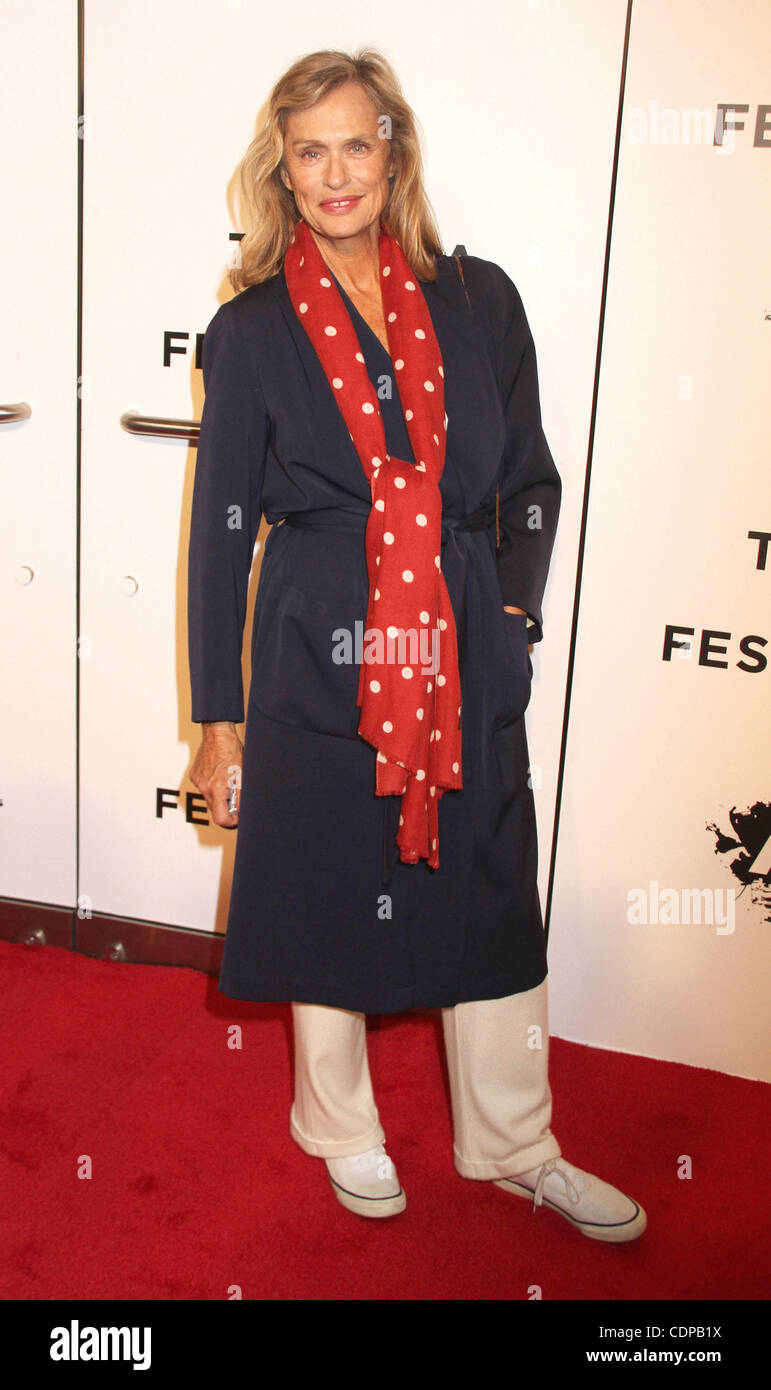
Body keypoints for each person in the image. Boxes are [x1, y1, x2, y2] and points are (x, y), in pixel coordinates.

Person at [188, 47, 646, 1241]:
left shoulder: (478, 297)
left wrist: (509, 613)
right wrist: (214, 719)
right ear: (282, 170)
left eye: (356, 142)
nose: (335, 173)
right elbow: (220, 531)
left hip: (457, 633)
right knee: (326, 877)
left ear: (394, 150)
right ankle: (339, 1124)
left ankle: (515, 1141)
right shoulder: (250, 329)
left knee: (490, 889)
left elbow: (529, 482)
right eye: (309, 151)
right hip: (314, 629)